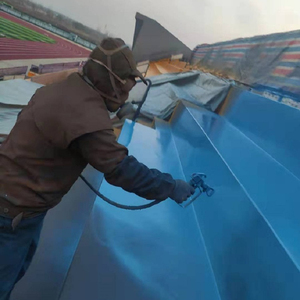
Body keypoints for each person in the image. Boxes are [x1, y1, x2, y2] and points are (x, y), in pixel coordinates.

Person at [0, 38, 194, 299]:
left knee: (15, 271)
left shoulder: (66, 89)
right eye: (127, 82)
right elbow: (121, 169)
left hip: (19, 205)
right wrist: (171, 186)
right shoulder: (86, 116)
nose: (128, 90)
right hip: (12, 213)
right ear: (111, 79)